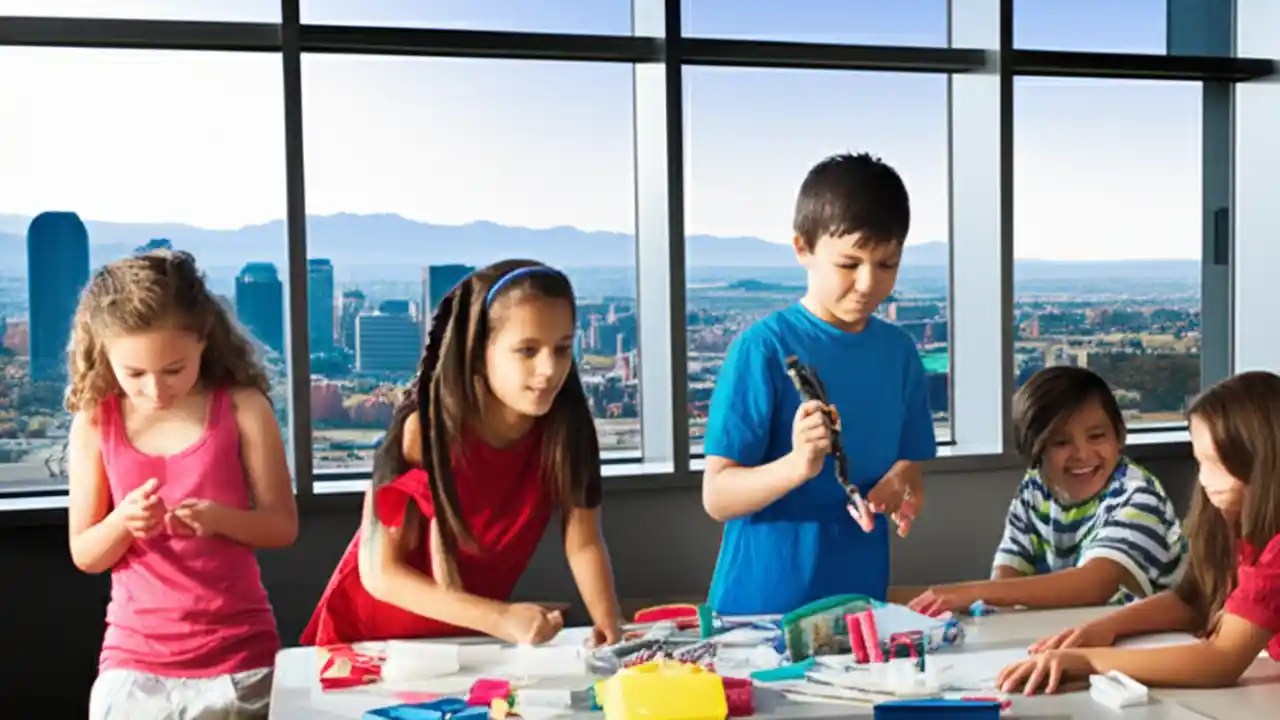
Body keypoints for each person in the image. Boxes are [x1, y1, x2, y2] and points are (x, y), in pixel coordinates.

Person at [302, 260, 623, 647]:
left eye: (562, 348)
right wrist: (502, 619)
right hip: (367, 644)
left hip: (465, 645)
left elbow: (584, 541)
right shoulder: (425, 432)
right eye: (526, 350)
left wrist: (611, 626)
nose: (549, 368)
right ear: (477, 352)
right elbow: (380, 572)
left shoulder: (567, 433)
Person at [700, 152, 937, 615]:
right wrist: (798, 465)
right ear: (802, 249)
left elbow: (910, 466)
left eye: (887, 264)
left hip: (858, 610)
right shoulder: (762, 349)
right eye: (849, 264)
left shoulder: (900, 353)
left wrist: (903, 482)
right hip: (758, 612)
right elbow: (717, 496)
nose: (869, 283)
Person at [67, 250, 297, 719]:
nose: (155, 390)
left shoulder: (243, 408)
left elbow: (282, 527)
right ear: (104, 355)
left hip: (241, 657)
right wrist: (123, 523)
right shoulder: (96, 422)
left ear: (203, 342)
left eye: (174, 369)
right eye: (134, 374)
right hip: (135, 663)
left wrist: (220, 520)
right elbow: (86, 553)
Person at [998, 370, 1280, 695]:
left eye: (1215, 463)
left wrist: (1088, 661)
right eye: (1199, 463)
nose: (1204, 481)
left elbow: (1221, 660)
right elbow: (1194, 599)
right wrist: (1107, 628)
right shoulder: (1237, 526)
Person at [908, 367, 1186, 616]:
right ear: (1035, 450)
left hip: (1149, 643)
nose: (1082, 454)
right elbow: (1008, 575)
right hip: (1073, 633)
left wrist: (969, 592)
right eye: (1061, 442)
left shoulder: (1137, 495)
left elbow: (1095, 585)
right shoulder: (1035, 488)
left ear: (1120, 435)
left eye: (1097, 436)